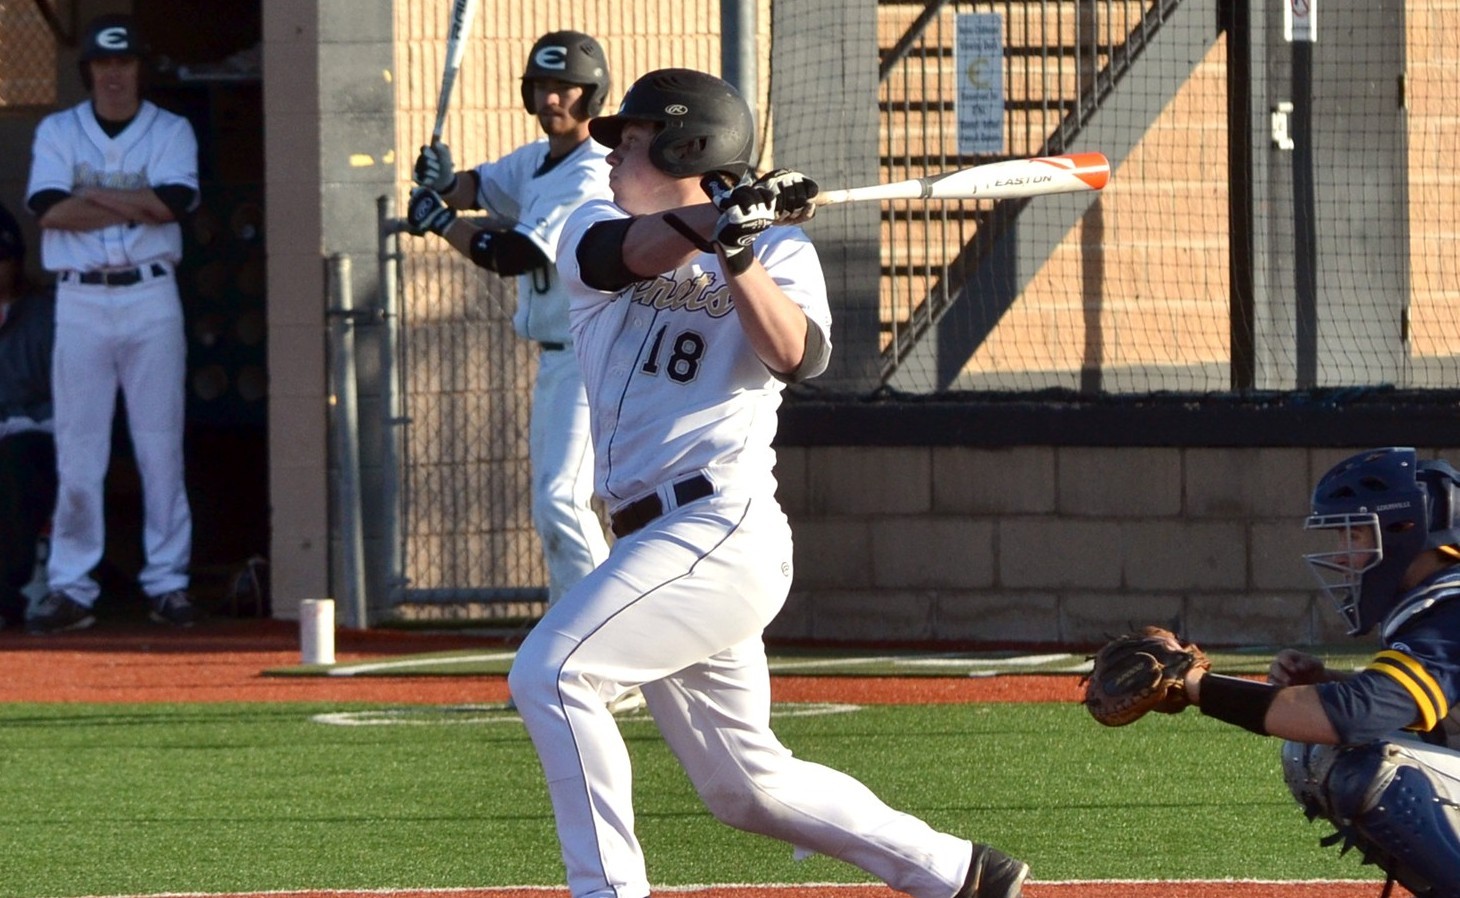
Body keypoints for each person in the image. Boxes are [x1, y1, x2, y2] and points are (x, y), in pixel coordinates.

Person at [505, 67, 1030, 898]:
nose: (611, 156)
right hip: (649, 542)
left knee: (552, 675)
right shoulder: (592, 223)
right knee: (746, 787)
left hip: (718, 528)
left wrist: (742, 249)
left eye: (632, 142)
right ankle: (956, 871)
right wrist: (717, 219)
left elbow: (797, 355)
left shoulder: (782, 249)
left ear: (686, 147)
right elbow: (623, 257)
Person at [1101, 447, 1460, 897]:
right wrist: (1326, 683)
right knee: (1314, 749)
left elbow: (1354, 716)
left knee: (1359, 763)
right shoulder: (1442, 599)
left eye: (1355, 534)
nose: (1345, 554)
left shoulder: (1450, 607)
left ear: (1406, 528)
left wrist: (1194, 685)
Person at [406, 31, 639, 713]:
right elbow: (485, 187)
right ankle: (573, 658)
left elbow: (510, 253)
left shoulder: (592, 171)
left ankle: (603, 660)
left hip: (592, 358)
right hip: (556, 359)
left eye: (564, 87)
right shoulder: (541, 159)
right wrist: (444, 181)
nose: (551, 99)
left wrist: (443, 222)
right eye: (540, 87)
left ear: (591, 96)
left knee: (564, 502)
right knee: (556, 504)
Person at [23, 13, 204, 633]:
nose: (114, 75)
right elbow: (48, 210)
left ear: (138, 69)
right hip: (78, 300)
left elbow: (173, 204)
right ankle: (72, 587)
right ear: (89, 71)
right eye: (103, 64)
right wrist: (136, 203)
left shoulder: (171, 129)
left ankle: (168, 583)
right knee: (78, 453)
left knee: (160, 449)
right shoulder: (57, 128)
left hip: (151, 295)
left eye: (124, 63)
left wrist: (92, 197)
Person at [0, 200, 58, 631]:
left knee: (17, 465)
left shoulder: (46, 313)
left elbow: (66, 397)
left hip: (37, 438)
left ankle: (11, 595)